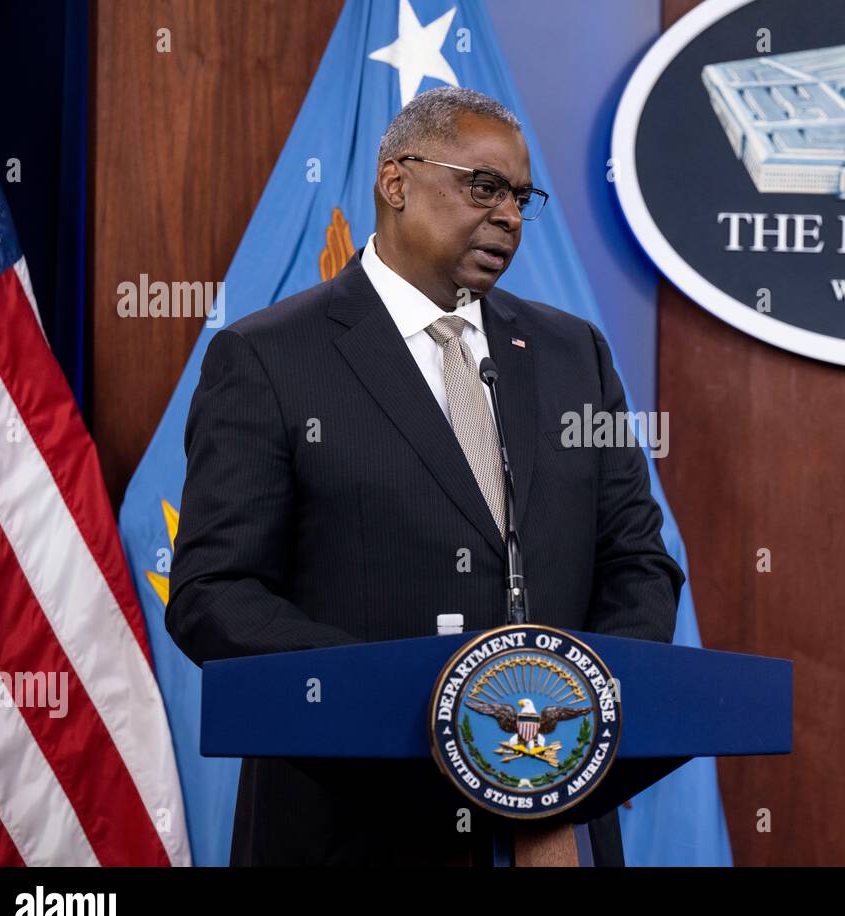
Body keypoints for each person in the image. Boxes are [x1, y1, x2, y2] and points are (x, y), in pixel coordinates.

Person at [164, 86, 684, 866]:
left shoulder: (575, 354)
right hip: (349, 822)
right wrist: (416, 702)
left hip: (549, 809)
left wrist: (578, 715)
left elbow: (638, 561)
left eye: (521, 196)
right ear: (396, 181)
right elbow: (214, 593)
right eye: (484, 187)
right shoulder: (270, 357)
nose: (509, 215)